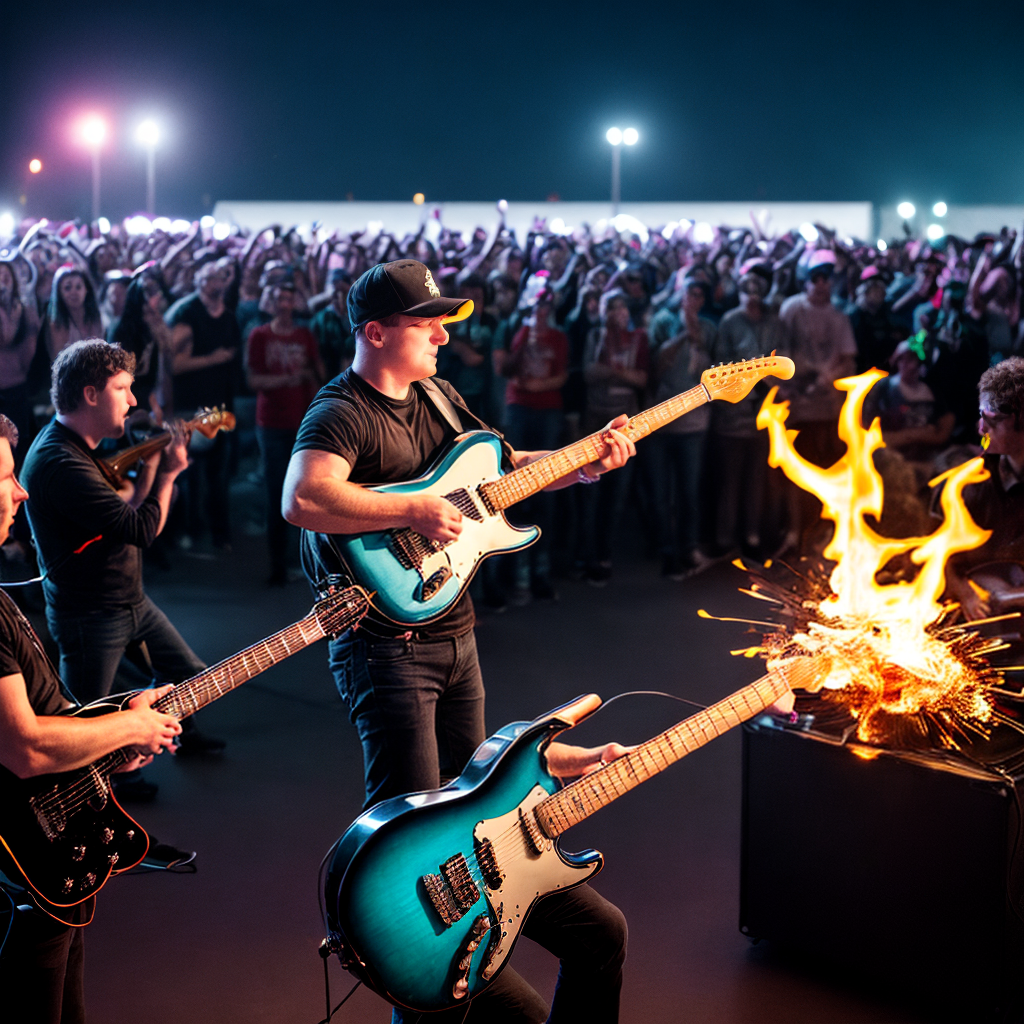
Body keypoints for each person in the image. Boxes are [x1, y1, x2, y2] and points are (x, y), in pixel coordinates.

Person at [282, 258, 633, 1023]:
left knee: (467, 805)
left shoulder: (439, 394)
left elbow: (500, 477)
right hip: (383, 647)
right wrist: (408, 514)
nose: (445, 333)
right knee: (410, 831)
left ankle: (469, 939)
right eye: (426, 322)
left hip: (454, 633)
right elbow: (305, 496)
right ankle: (426, 977)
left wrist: (577, 466)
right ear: (376, 333)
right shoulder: (340, 411)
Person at [0, 410, 182, 1024]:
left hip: (45, 843)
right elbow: (23, 746)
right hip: (24, 851)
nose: (21, 491)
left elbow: (45, 712)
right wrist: (130, 728)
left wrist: (105, 735)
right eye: (5, 477)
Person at [21, 341, 223, 798]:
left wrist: (151, 463)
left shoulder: (83, 447)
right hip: (90, 612)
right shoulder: (62, 462)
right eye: (124, 389)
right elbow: (141, 527)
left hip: (126, 598)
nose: (134, 401)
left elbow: (124, 505)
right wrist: (170, 473)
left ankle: (168, 735)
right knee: (82, 720)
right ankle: (110, 784)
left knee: (190, 674)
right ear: (91, 394)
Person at [245, 282, 324, 585]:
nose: (285, 305)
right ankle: (278, 563)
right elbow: (254, 381)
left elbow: (318, 372)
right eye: (279, 299)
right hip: (271, 423)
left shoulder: (305, 335)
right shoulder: (260, 335)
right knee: (276, 491)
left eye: (289, 299)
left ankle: (303, 560)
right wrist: (290, 378)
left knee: (308, 491)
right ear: (272, 302)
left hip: (303, 421)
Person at [166, 260, 240, 550]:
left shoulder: (228, 316)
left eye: (220, 276)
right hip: (191, 405)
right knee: (190, 474)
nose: (217, 281)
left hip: (220, 405)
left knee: (218, 475)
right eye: (210, 277)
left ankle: (219, 534)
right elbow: (174, 363)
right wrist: (214, 358)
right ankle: (190, 531)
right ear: (198, 282)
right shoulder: (187, 313)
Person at [943, 357, 1024, 620]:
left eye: (994, 420)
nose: (981, 429)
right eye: (981, 416)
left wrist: (1011, 596)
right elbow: (946, 561)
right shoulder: (975, 481)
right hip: (990, 615)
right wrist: (966, 593)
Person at [45, 267, 103, 362]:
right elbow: (60, 360)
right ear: (59, 293)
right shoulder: (55, 323)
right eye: (67, 288)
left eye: (78, 287)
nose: (74, 292)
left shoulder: (95, 317)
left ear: (86, 290)